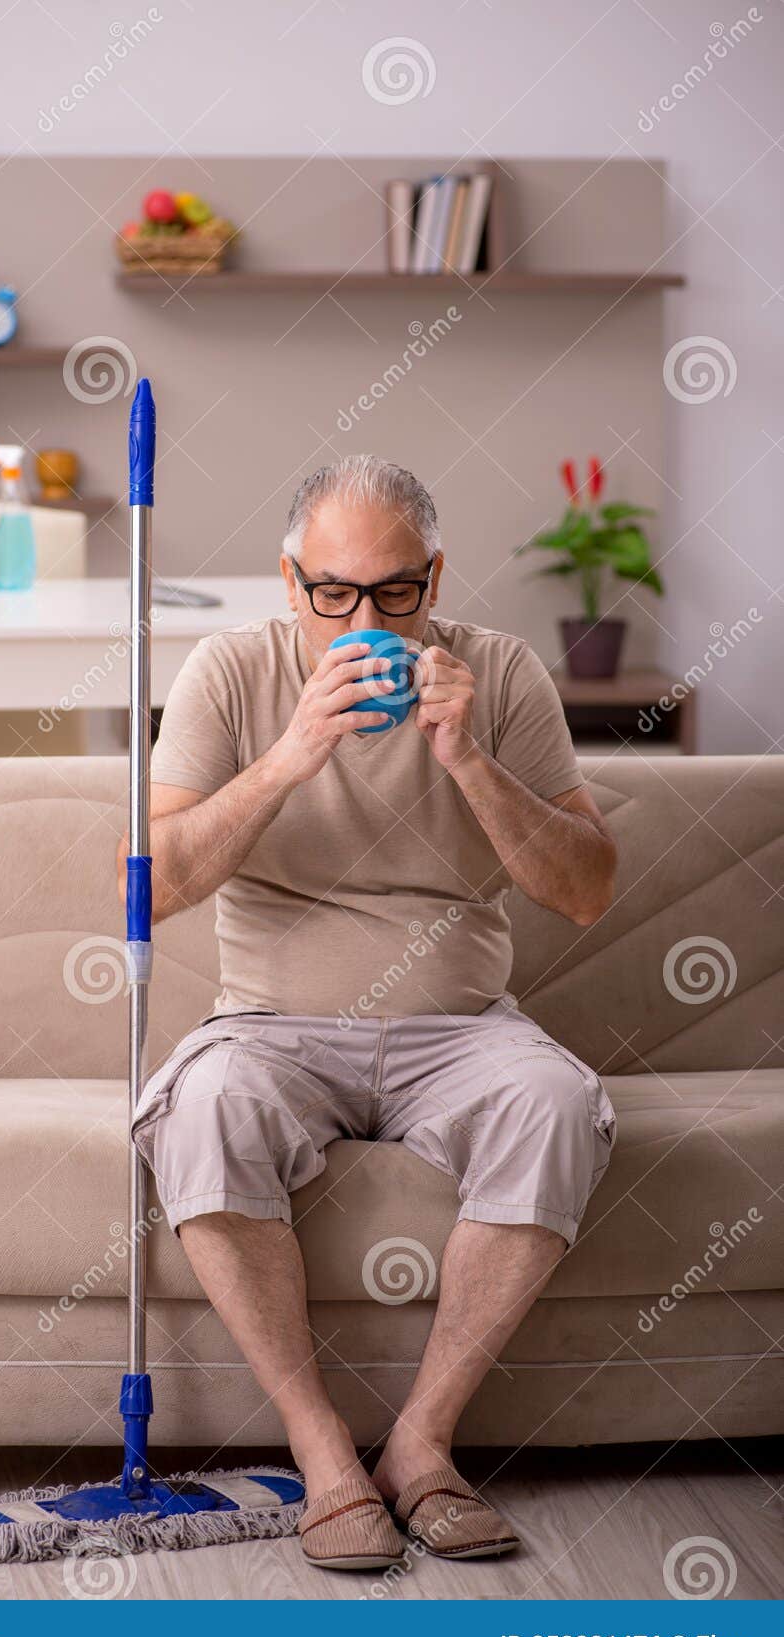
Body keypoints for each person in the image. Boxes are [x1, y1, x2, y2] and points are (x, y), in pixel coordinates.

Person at [119, 455, 617, 1570]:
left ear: (434, 580)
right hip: (270, 1027)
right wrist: (289, 758)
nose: (363, 617)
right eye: (332, 592)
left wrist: (470, 761)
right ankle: (325, 1456)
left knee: (554, 1101)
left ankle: (423, 1448)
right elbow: (146, 882)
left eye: (394, 593)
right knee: (205, 1111)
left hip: (464, 1030)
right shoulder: (230, 671)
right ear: (289, 584)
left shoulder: (498, 672)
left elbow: (586, 888)